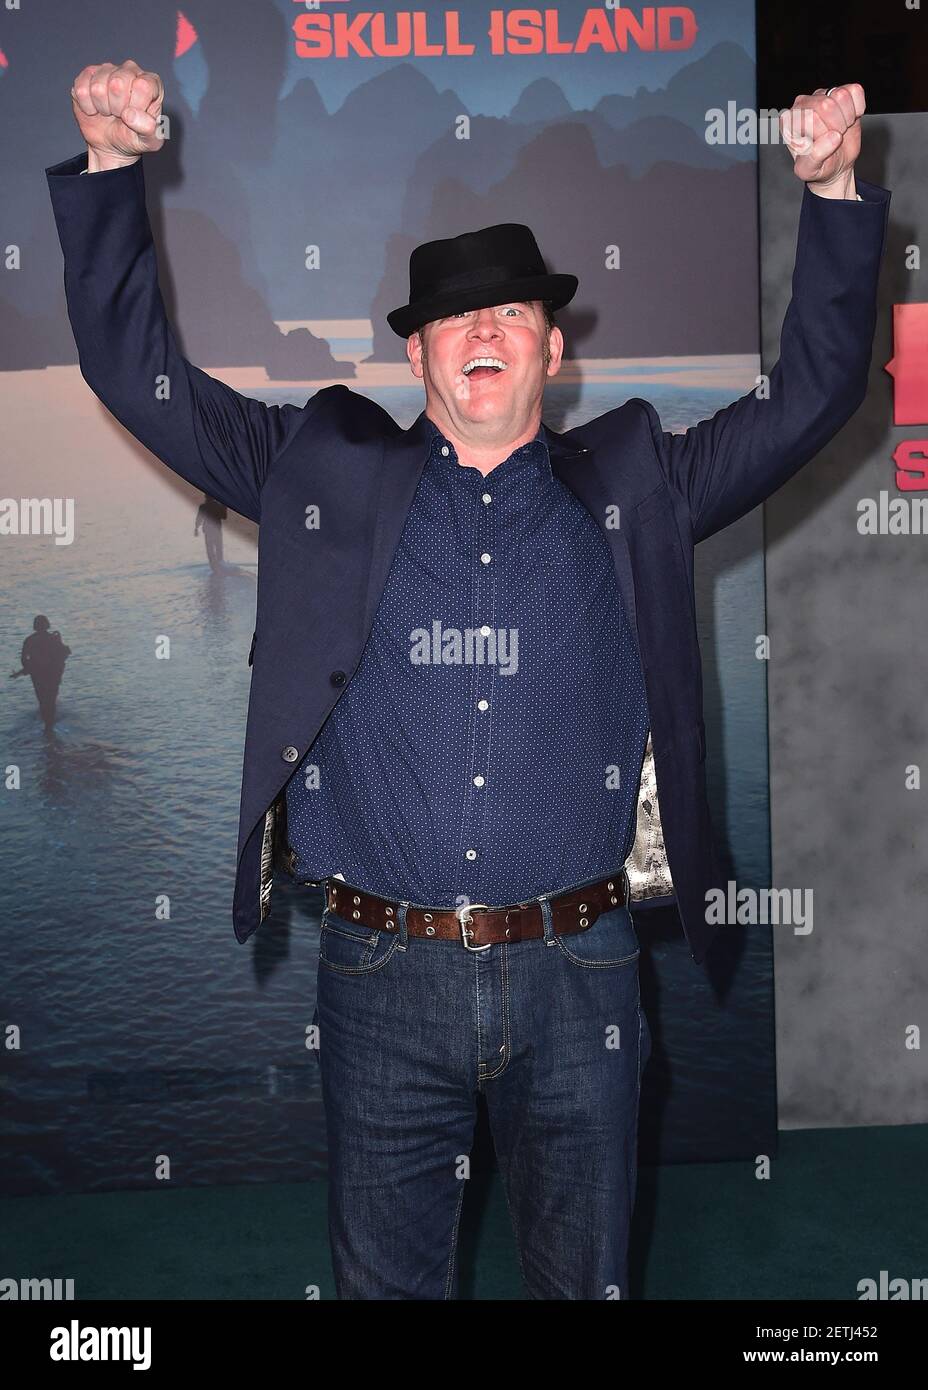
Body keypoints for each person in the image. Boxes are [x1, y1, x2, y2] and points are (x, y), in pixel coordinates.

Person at [47, 62, 890, 1299]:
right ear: (418, 355)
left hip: (584, 972)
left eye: (509, 313)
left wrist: (830, 192)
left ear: (553, 347)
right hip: (383, 981)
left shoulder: (643, 481)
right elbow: (137, 377)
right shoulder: (317, 471)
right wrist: (114, 171)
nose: (483, 330)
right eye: (454, 316)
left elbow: (816, 389)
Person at [12, 615, 72, 732]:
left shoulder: (29, 640)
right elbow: (66, 653)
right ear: (47, 625)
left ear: (35, 626)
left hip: (37, 675)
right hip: (53, 674)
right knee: (51, 699)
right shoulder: (54, 638)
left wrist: (27, 669)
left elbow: (24, 659)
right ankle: (50, 726)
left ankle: (47, 725)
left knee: (42, 699)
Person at [194, 492, 227, 571]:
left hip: (208, 530)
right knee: (218, 548)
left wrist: (196, 528)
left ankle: (213, 567)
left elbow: (199, 518)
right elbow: (224, 517)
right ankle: (220, 565)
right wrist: (224, 507)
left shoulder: (203, 507)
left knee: (210, 549)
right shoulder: (218, 506)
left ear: (205, 497)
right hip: (217, 530)